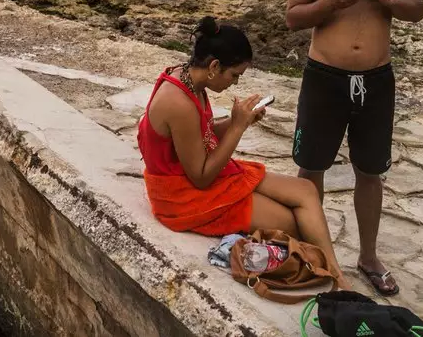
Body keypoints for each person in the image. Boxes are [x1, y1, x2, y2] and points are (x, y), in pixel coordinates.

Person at [138, 17, 351, 290]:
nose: (235, 83)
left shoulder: (189, 78)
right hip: (181, 196)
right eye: (235, 75)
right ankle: (333, 276)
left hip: (200, 176)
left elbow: (200, 134)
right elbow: (201, 177)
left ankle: (335, 273)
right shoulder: (177, 102)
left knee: (305, 190)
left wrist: (242, 120)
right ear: (215, 66)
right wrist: (237, 128)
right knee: (290, 222)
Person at [284, 0, 423, 296]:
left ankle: (368, 257)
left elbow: (416, 8)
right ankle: (312, 253)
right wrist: (331, 3)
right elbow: (293, 17)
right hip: (325, 78)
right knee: (311, 169)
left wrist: (389, 1)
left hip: (376, 81)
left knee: (370, 170)